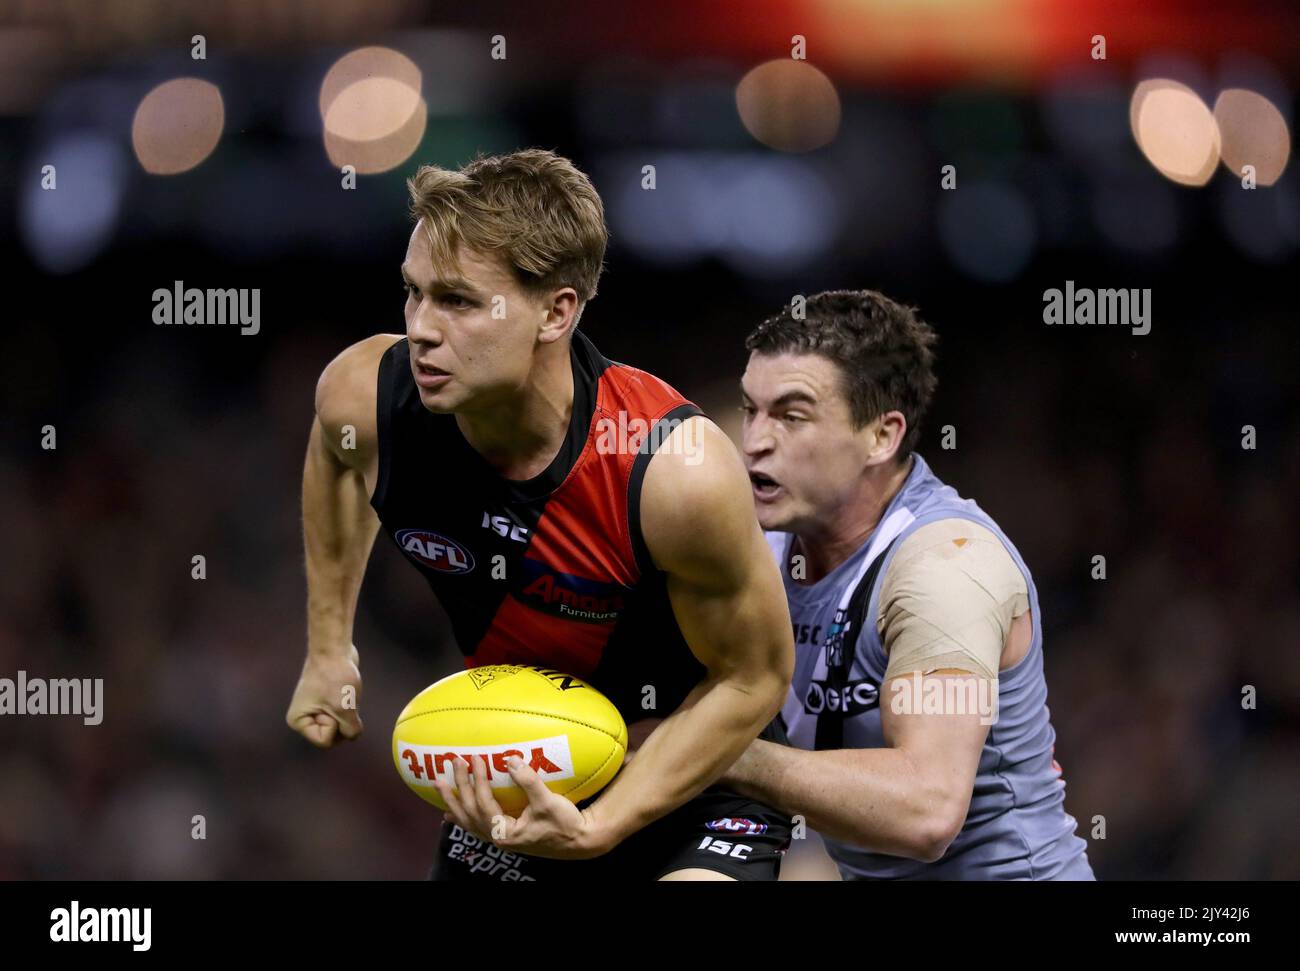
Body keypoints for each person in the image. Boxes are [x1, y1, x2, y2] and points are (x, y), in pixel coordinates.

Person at [285, 148, 794, 881]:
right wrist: (330, 647)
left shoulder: (671, 471)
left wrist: (602, 825)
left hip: (693, 780)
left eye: (458, 301)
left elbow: (755, 678)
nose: (422, 328)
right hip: (519, 773)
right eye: (413, 293)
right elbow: (334, 460)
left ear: (557, 311)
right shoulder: (364, 398)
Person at [721, 289, 1094, 879]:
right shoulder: (758, 545)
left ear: (882, 436)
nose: (756, 441)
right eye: (751, 410)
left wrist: (719, 756)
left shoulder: (946, 567)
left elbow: (925, 812)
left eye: (792, 415)